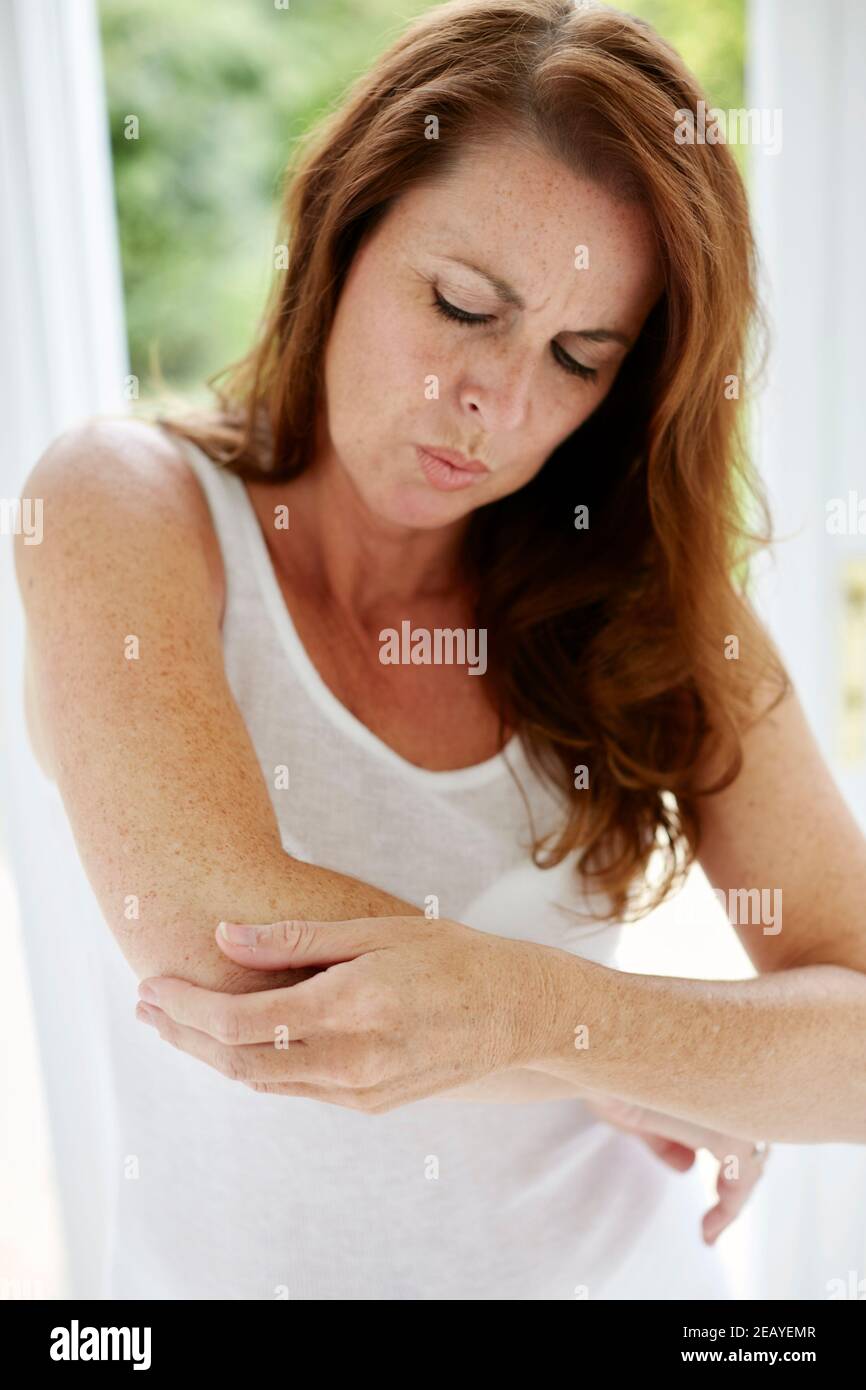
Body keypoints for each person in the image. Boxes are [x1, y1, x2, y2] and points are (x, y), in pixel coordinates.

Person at [15, 0, 866, 1301]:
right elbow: (225, 954)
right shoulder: (121, 502)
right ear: (342, 228)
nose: (500, 405)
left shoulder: (638, 594)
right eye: (464, 305)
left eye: (580, 358)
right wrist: (641, 1049)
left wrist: (552, 1018)